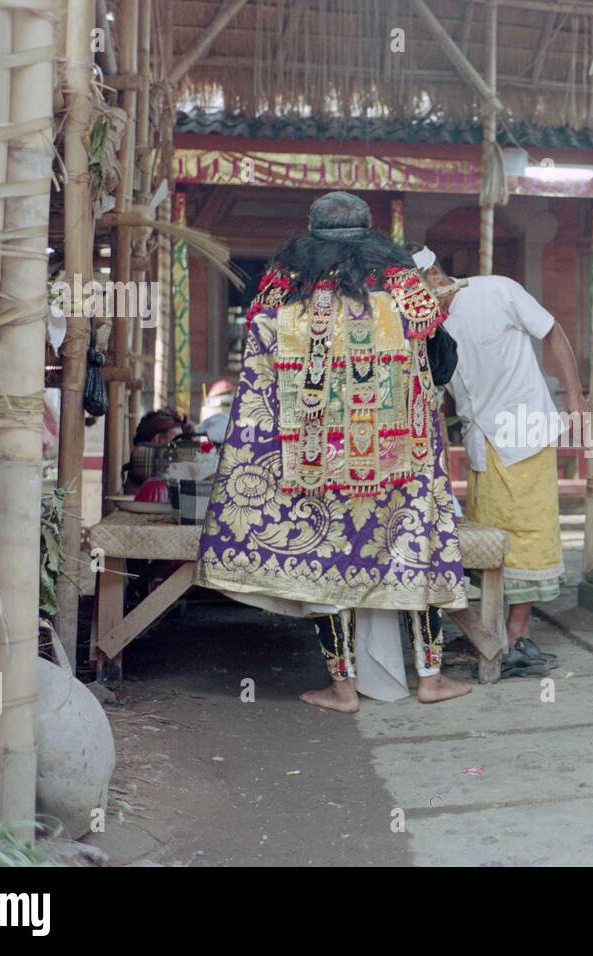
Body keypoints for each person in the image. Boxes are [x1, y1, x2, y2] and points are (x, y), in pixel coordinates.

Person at [196, 191, 471, 712]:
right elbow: (440, 359)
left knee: (327, 559)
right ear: (370, 232)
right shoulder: (403, 285)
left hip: (314, 457)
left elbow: (258, 375)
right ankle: (431, 679)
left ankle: (343, 689)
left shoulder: (283, 289)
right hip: (403, 454)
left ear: (310, 234)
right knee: (415, 551)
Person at [408, 243, 588, 679]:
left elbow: (552, 332)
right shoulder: (424, 325)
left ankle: (517, 634)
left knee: (526, 535)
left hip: (524, 430)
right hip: (480, 441)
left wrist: (577, 400)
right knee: (488, 538)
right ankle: (488, 634)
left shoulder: (497, 291)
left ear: (433, 274)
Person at [123, 407, 189, 492]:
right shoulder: (155, 466)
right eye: (176, 439)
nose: (180, 444)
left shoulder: (137, 466)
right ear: (158, 439)